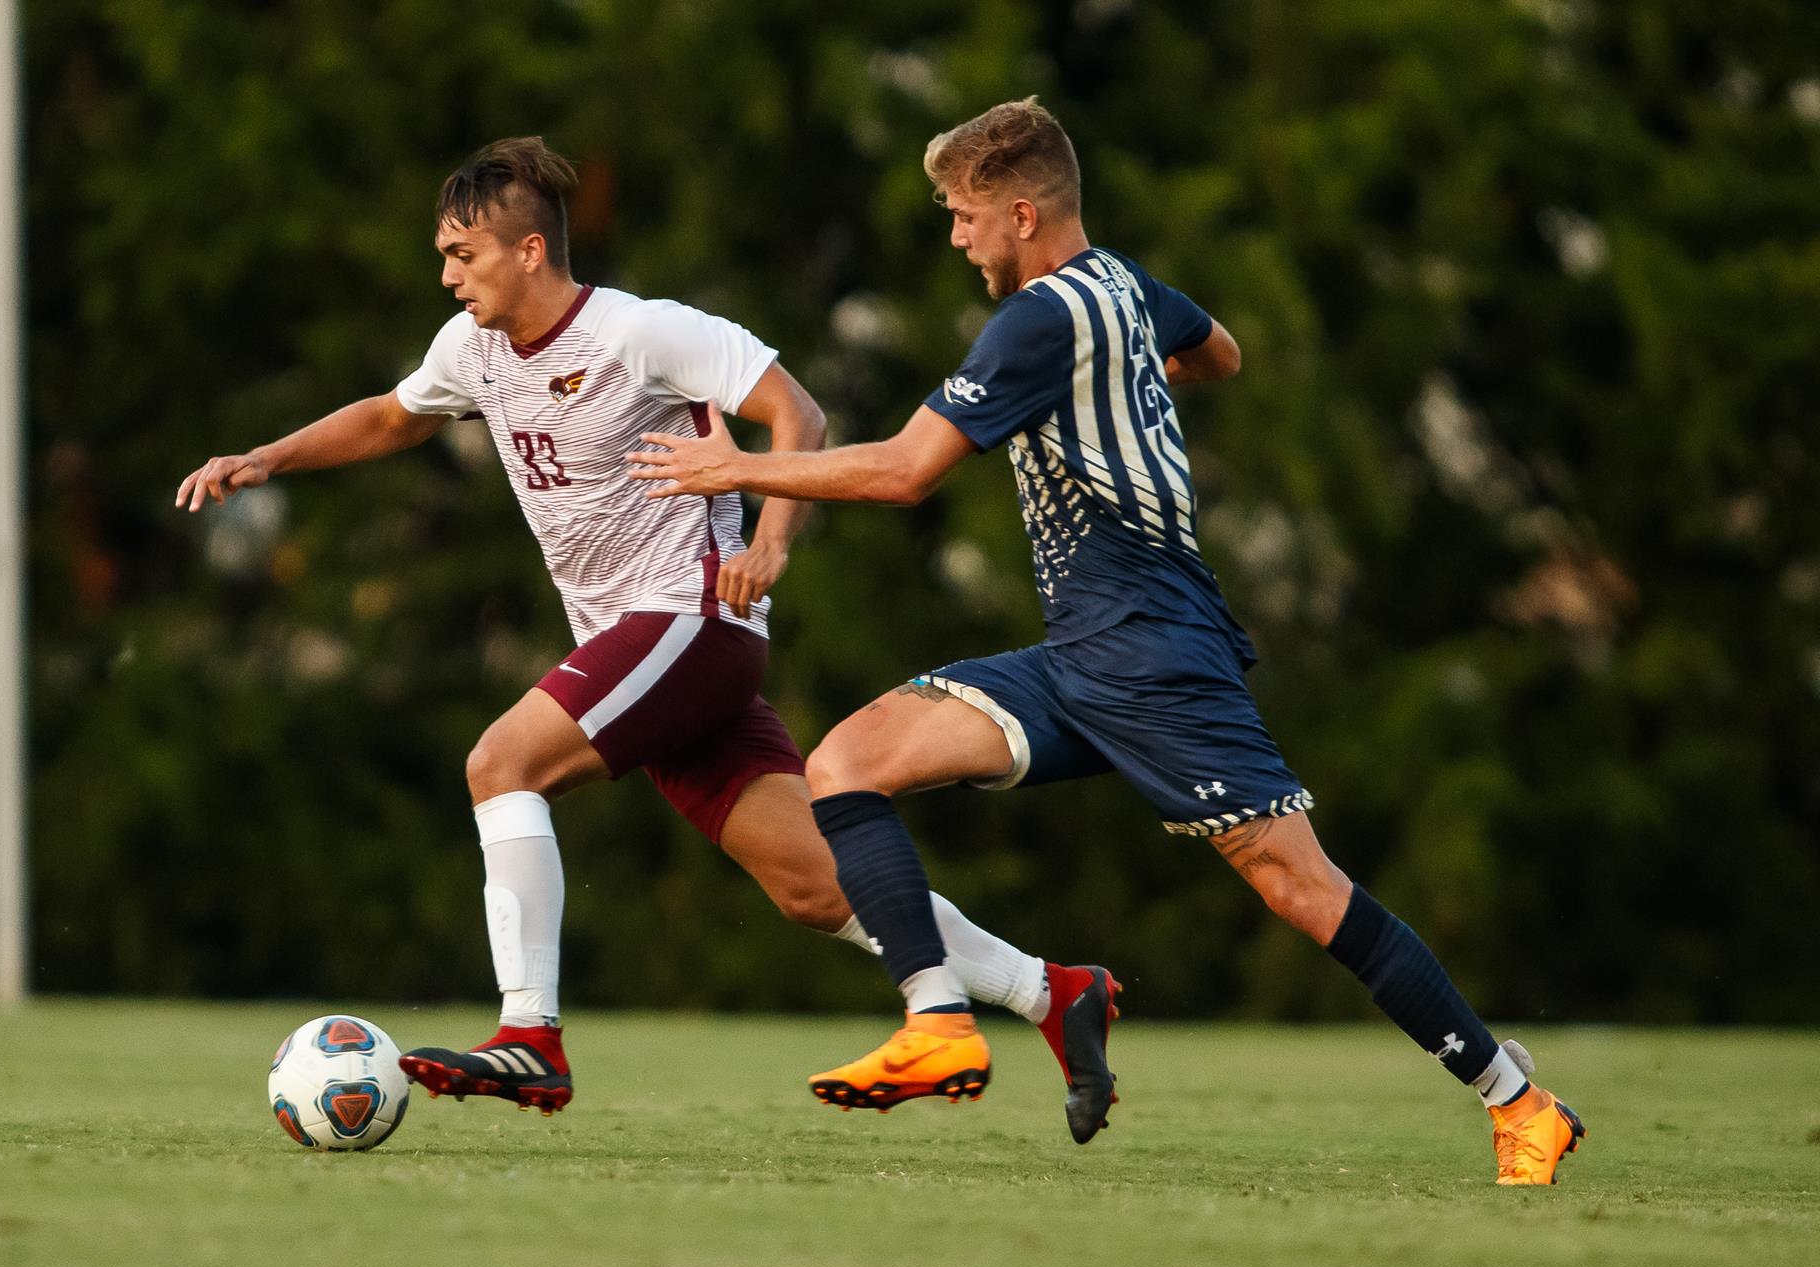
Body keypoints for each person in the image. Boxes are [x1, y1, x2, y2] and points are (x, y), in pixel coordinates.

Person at [628, 99, 1587, 1185]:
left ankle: (1519, 1100)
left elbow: (902, 471)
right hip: (1081, 652)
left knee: (1300, 890)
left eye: (961, 217)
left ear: (1023, 214)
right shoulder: (1126, 287)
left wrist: (733, 471)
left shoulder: (1037, 321)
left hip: (1159, 656)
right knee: (847, 761)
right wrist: (1134, 396)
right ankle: (937, 1017)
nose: (953, 238)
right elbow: (1217, 353)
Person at [177, 136, 1121, 1139]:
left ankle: (529, 1036)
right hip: (645, 649)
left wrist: (769, 545)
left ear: (530, 251)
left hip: (691, 621)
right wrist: (266, 457)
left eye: (463, 254)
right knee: (811, 886)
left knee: (501, 763)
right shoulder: (472, 350)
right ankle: (1052, 992)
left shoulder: (641, 333)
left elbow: (793, 411)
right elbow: (390, 417)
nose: (447, 275)